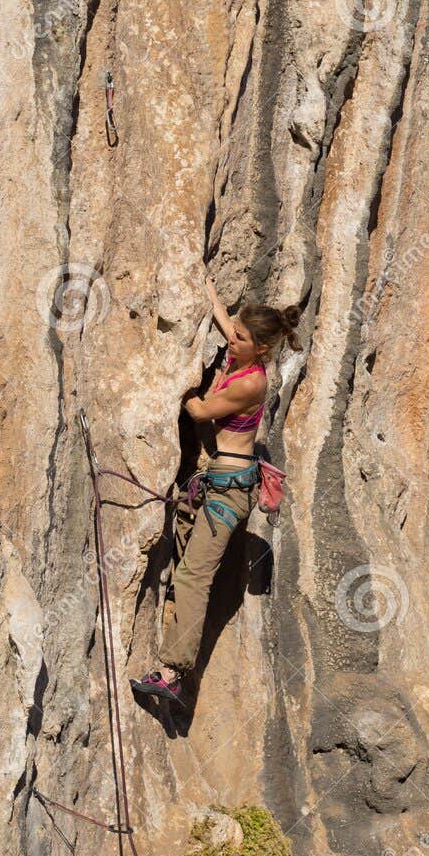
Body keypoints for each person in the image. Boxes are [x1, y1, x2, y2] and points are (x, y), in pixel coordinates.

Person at [132, 276, 300, 706]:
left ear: (260, 349)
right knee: (188, 563)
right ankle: (176, 655)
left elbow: (202, 411)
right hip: (219, 484)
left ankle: (172, 673)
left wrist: (179, 384)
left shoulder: (252, 383)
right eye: (236, 332)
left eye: (240, 338)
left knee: (194, 575)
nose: (232, 341)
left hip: (228, 494)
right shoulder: (244, 352)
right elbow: (229, 326)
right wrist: (206, 287)